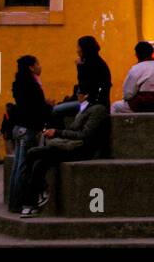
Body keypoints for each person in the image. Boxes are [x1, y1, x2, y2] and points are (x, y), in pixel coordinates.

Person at [19, 88, 111, 216]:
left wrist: (57, 132)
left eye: (79, 92)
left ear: (86, 95)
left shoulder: (97, 110)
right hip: (70, 146)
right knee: (38, 160)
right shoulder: (84, 109)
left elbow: (85, 135)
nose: (77, 95)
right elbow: (74, 130)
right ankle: (33, 199)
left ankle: (31, 201)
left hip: (81, 150)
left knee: (35, 156)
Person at [8, 55, 52, 211]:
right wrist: (48, 106)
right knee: (24, 167)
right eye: (38, 63)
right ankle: (21, 203)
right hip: (28, 128)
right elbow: (36, 107)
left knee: (17, 167)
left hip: (18, 127)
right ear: (31, 67)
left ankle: (14, 202)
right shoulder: (32, 84)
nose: (40, 66)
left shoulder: (18, 83)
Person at [53, 36, 113, 121]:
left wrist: (80, 67)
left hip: (93, 104)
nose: (77, 50)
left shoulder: (93, 65)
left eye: (78, 47)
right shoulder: (96, 62)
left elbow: (84, 87)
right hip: (92, 103)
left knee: (56, 110)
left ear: (84, 49)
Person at [111, 41, 154, 114]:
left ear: (136, 54)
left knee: (115, 106)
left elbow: (128, 94)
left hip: (144, 105)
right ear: (151, 53)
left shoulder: (136, 69)